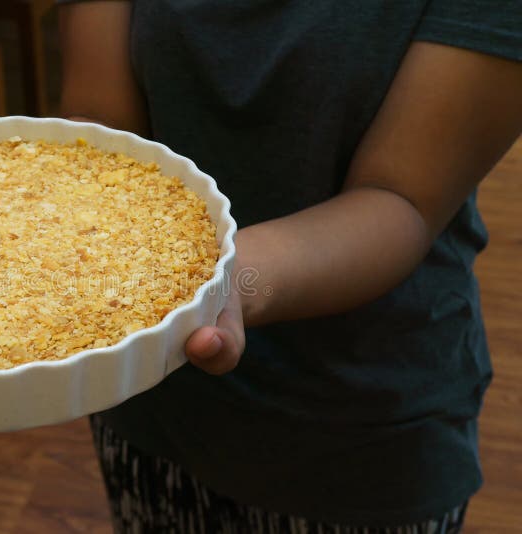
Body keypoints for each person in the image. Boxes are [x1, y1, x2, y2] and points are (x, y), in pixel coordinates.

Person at [57, 1, 522, 532]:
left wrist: (221, 282)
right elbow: (102, 127)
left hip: (359, 427)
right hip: (144, 380)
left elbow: (401, 196)